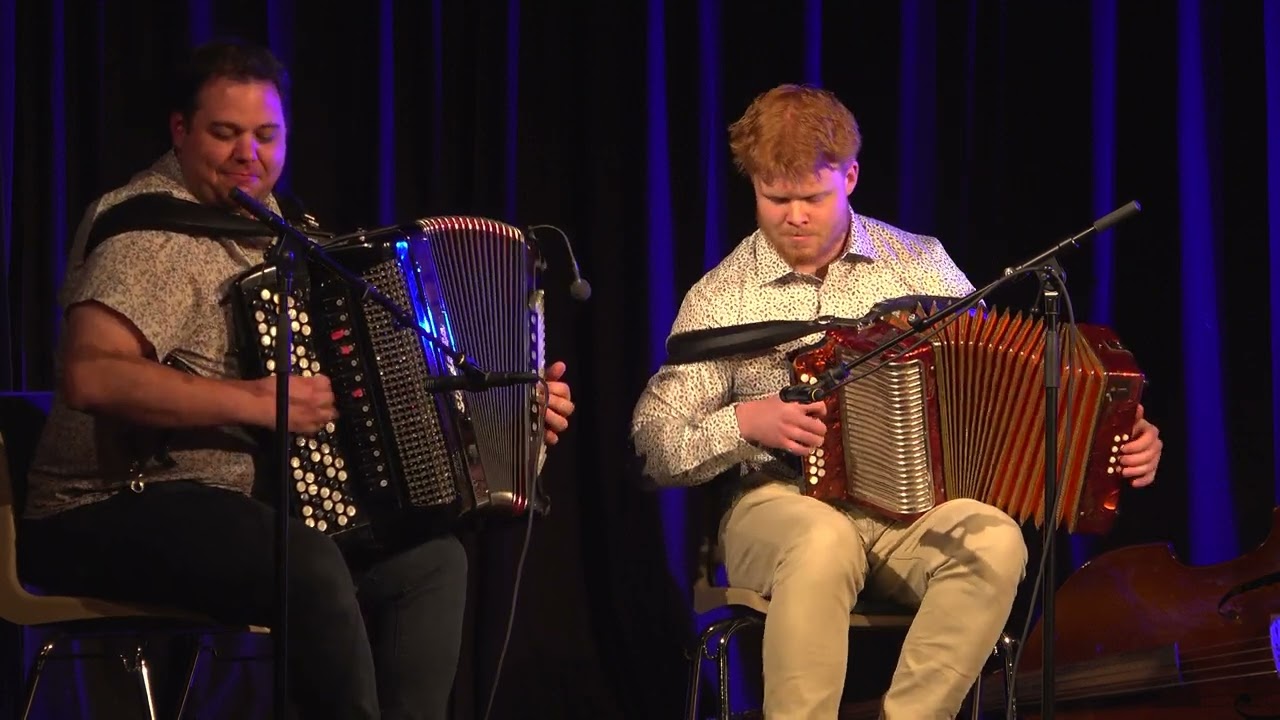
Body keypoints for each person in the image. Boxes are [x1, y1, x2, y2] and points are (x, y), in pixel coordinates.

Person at [17, 39, 576, 719]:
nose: (247, 153)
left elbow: (381, 379)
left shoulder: (287, 231)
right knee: (304, 565)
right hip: (111, 504)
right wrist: (257, 400)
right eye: (224, 133)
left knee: (430, 564)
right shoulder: (147, 232)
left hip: (253, 506)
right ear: (181, 130)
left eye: (265, 135)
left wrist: (509, 408)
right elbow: (91, 375)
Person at [630, 84, 1163, 719]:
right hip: (774, 506)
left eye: (813, 196)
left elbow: (999, 387)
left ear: (850, 176)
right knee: (821, 539)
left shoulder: (920, 264)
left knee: (995, 540)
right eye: (775, 198)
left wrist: (1112, 440)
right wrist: (746, 421)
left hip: (909, 513)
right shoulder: (720, 296)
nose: (794, 215)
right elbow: (654, 443)